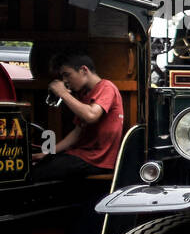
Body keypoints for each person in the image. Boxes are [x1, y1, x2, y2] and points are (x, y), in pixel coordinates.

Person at [30, 53, 125, 181]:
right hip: (81, 156)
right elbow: (77, 133)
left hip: (96, 160)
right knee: (37, 166)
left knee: (36, 174)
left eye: (67, 74)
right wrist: (48, 152)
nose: (65, 81)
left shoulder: (106, 87)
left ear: (84, 70)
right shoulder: (84, 94)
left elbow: (91, 115)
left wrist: (62, 93)